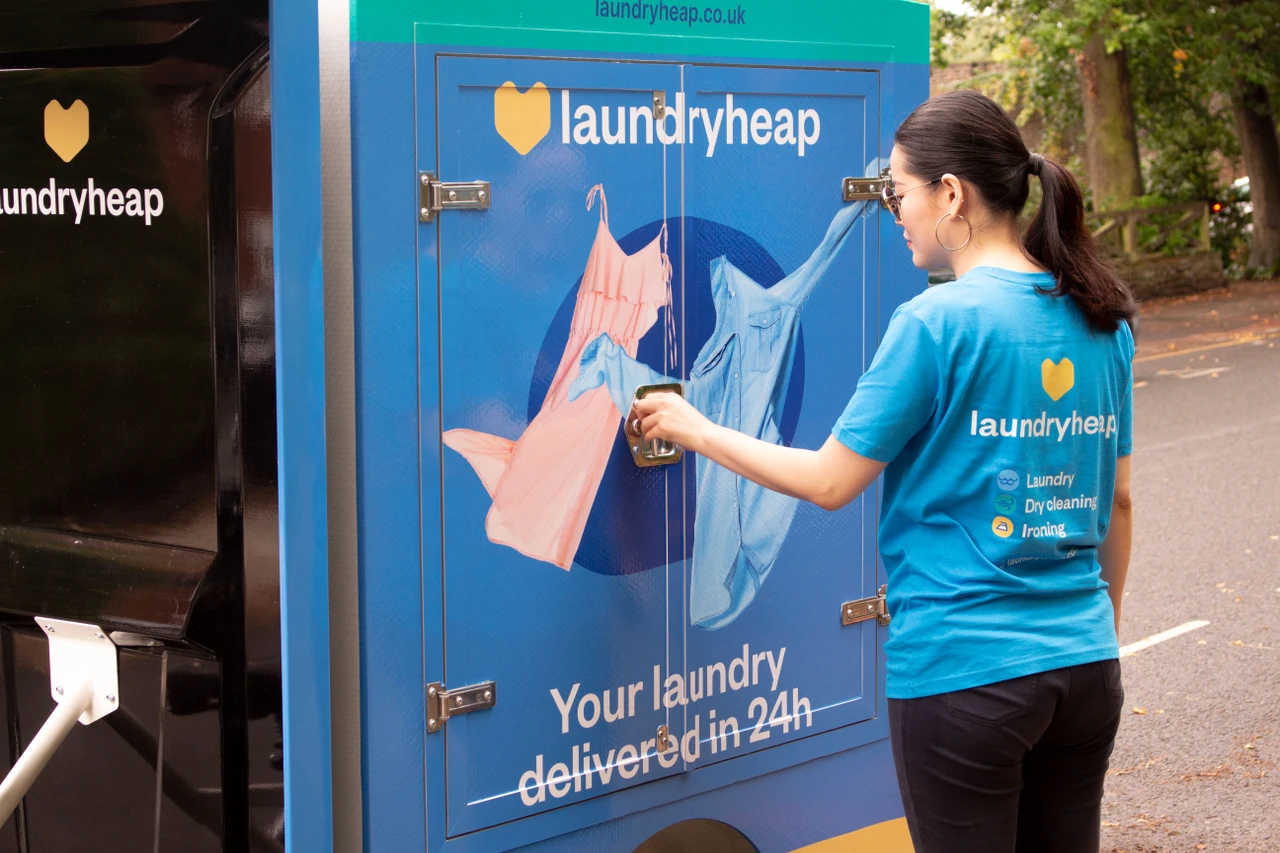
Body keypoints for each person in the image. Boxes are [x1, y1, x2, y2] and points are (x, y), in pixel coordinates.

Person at [632, 89, 1136, 853]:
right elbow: (1120, 501)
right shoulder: (1102, 316)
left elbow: (830, 482)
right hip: (1084, 667)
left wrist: (696, 428)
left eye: (899, 194)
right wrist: (1096, 637)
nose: (894, 212)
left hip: (965, 672)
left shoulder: (936, 323)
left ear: (952, 194)